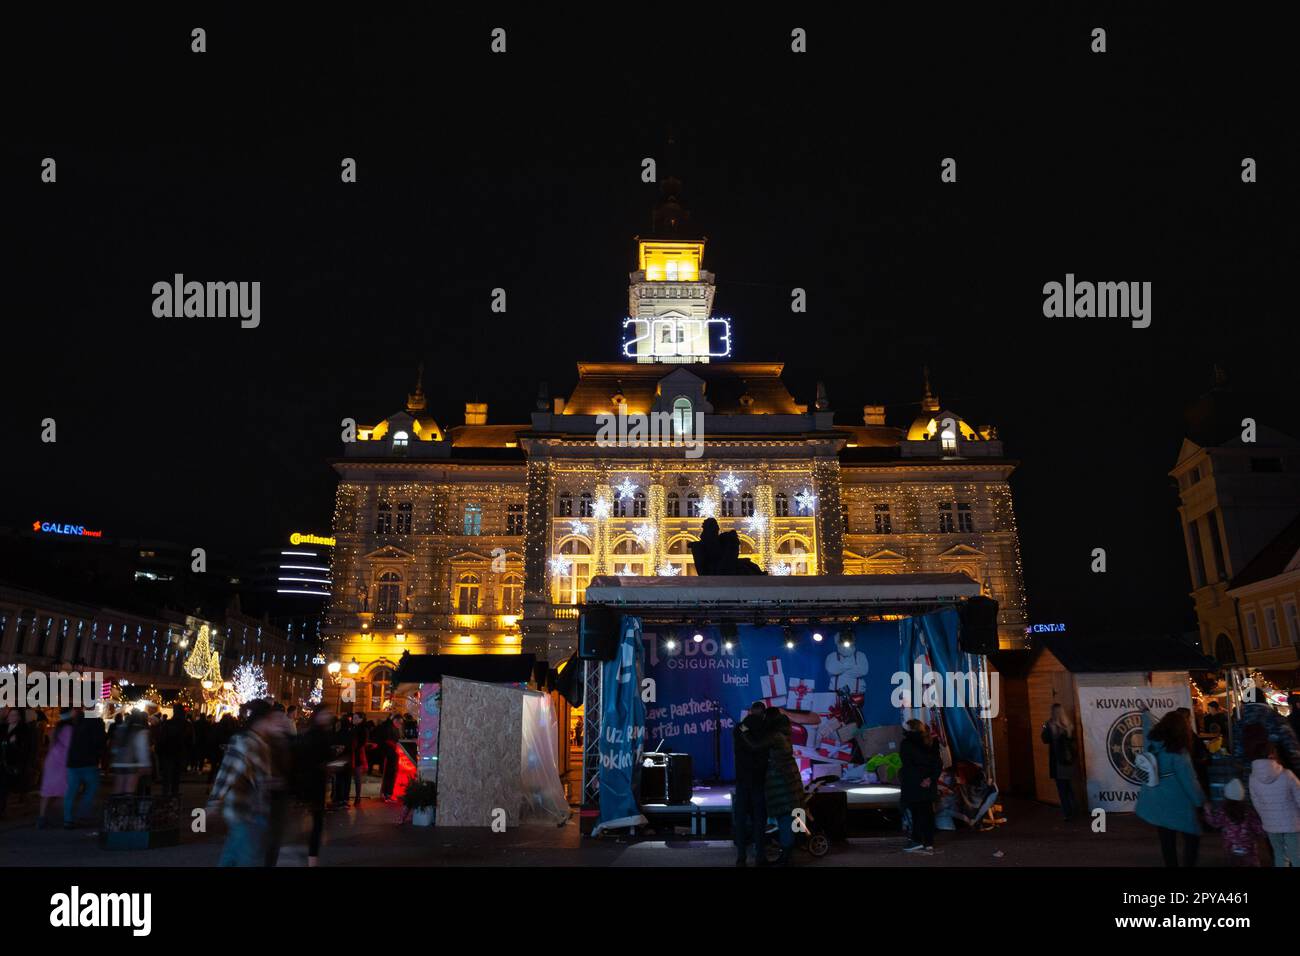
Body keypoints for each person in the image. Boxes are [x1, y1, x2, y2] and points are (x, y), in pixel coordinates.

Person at [1135, 707, 1209, 867]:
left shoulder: (1151, 743)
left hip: (1157, 801)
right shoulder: (1179, 753)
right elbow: (1190, 782)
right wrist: (1200, 802)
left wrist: (1145, 713)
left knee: (1166, 841)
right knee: (1192, 837)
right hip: (1178, 803)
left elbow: (1148, 725)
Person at [208, 700, 275, 866]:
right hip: (245, 811)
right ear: (262, 720)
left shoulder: (259, 743)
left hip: (251, 811)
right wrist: (214, 801)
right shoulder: (245, 742)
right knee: (246, 859)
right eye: (271, 720)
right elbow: (227, 772)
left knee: (231, 858)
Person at [758, 709, 803, 866]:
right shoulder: (782, 734)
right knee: (787, 820)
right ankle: (787, 853)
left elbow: (756, 745)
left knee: (785, 820)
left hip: (782, 786)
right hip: (789, 784)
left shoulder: (775, 737)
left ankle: (786, 856)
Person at [294, 708, 336, 866]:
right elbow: (309, 758)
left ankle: (310, 857)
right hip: (311, 782)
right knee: (316, 822)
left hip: (313, 783)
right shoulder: (315, 735)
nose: (328, 717)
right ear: (317, 715)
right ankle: (311, 859)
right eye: (325, 714)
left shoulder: (318, 733)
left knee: (315, 821)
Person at [1247, 742, 1300, 867]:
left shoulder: (1252, 778)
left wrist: (1266, 817)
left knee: (1279, 854)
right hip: (1292, 824)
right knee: (1296, 855)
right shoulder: (1287, 774)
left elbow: (1256, 802)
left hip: (1270, 825)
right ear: (1272, 755)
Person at [731, 701, 769, 866]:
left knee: (740, 820)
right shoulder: (766, 729)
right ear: (763, 713)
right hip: (759, 781)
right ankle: (760, 856)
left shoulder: (739, 728)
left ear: (750, 712)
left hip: (742, 781)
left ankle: (741, 856)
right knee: (759, 821)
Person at [900, 718, 943, 854]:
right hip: (928, 784)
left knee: (916, 813)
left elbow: (909, 765)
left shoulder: (906, 744)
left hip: (913, 784)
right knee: (928, 813)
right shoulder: (931, 742)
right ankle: (929, 842)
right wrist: (930, 779)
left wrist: (919, 780)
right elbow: (938, 763)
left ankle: (917, 840)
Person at [1203, 778, 1265, 866]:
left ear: (1227, 796)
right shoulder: (1249, 812)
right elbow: (1259, 829)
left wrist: (1207, 811)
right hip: (1248, 848)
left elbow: (1214, 822)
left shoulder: (1223, 811)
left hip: (1230, 847)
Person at [262, 704, 295, 866]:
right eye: (275, 719)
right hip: (262, 798)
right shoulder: (261, 741)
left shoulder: (287, 742)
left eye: (281, 719)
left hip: (280, 797)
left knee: (274, 839)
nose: (279, 722)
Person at [63, 709, 106, 829]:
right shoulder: (96, 722)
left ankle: (68, 818)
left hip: (73, 761)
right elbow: (100, 740)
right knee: (91, 788)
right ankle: (82, 814)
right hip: (89, 760)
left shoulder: (73, 722)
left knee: (71, 790)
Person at [1040, 703, 1078, 821]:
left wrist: (1044, 727)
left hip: (1058, 762)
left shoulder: (1050, 725)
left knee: (1062, 789)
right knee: (1070, 788)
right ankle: (1075, 810)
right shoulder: (1069, 726)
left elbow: (1044, 739)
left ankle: (1067, 813)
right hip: (1069, 761)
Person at [37, 710, 74, 828]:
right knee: (64, 790)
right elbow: (70, 747)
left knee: (47, 791)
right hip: (64, 761)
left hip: (52, 760)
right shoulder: (71, 730)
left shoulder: (55, 729)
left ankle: (42, 817)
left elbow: (50, 745)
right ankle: (64, 817)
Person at [112, 711, 153, 795]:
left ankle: (116, 806)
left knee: (118, 789)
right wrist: (145, 764)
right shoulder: (140, 730)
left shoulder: (120, 729)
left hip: (118, 762)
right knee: (129, 790)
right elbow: (142, 749)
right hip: (132, 763)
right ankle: (125, 806)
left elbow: (114, 747)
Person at [156, 705, 192, 797]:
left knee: (167, 777)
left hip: (167, 753)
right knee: (176, 777)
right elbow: (191, 741)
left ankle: (165, 796)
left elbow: (161, 740)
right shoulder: (187, 725)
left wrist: (159, 752)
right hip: (180, 753)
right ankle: (173, 796)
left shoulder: (167, 724)